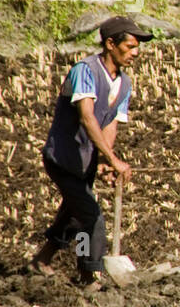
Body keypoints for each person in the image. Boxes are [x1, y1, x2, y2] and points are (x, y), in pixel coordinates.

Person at [30, 16, 152, 289]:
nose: (135, 53)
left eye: (137, 48)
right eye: (130, 46)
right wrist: (112, 159)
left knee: (74, 213)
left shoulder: (124, 84)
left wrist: (104, 162)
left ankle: (42, 259)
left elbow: (109, 124)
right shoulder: (85, 70)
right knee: (92, 217)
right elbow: (87, 117)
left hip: (85, 160)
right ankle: (89, 274)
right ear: (110, 44)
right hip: (63, 158)